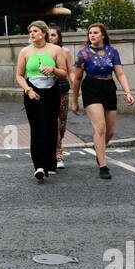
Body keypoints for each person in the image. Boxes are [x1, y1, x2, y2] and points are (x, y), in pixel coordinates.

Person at [72, 23, 135, 180]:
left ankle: (98, 148)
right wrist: (74, 100)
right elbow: (77, 78)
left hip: (108, 87)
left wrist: (128, 92)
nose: (91, 35)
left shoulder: (112, 52)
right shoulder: (83, 54)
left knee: (110, 131)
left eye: (95, 33)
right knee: (100, 128)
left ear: (103, 35)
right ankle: (103, 165)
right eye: (89, 33)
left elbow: (120, 73)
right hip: (91, 88)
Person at [15, 21, 64, 181]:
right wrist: (28, 90)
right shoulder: (25, 51)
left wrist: (53, 69)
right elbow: (19, 75)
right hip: (33, 91)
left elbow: (64, 73)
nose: (32, 34)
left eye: (35, 31)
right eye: (30, 31)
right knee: (37, 128)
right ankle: (39, 166)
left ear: (43, 33)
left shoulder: (56, 50)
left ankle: (51, 163)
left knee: (51, 126)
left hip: (52, 90)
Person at [48, 25, 73, 168]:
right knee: (54, 122)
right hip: (47, 90)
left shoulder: (64, 51)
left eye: (54, 35)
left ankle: (58, 142)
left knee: (62, 123)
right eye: (49, 35)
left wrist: (76, 88)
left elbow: (70, 71)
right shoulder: (42, 51)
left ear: (59, 37)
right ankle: (58, 153)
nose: (51, 38)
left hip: (62, 89)